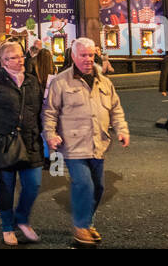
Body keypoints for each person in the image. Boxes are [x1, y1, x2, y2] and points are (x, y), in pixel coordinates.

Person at [43, 37, 129, 246]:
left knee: (98, 187)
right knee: (84, 184)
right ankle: (81, 227)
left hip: (98, 143)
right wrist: (50, 134)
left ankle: (87, 222)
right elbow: (49, 112)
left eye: (91, 55)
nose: (88, 59)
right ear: (73, 56)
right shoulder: (60, 81)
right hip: (73, 145)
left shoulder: (105, 82)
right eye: (83, 55)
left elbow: (115, 109)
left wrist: (122, 130)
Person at [0, 40, 44, 246]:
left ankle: (22, 218)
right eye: (14, 57)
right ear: (3, 61)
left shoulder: (32, 80)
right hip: (3, 143)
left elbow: (39, 111)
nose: (20, 60)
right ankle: (7, 227)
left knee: (33, 184)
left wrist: (49, 133)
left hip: (30, 141)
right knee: (6, 187)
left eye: (21, 56)